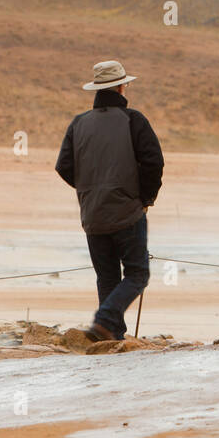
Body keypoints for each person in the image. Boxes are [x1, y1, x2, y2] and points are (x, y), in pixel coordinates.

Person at [55, 60, 163, 342]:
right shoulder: (133, 120)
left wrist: (91, 191)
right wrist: (145, 198)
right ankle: (105, 322)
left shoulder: (78, 123)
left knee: (107, 277)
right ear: (121, 86)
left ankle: (110, 336)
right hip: (127, 212)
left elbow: (63, 166)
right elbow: (154, 162)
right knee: (138, 274)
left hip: (93, 215)